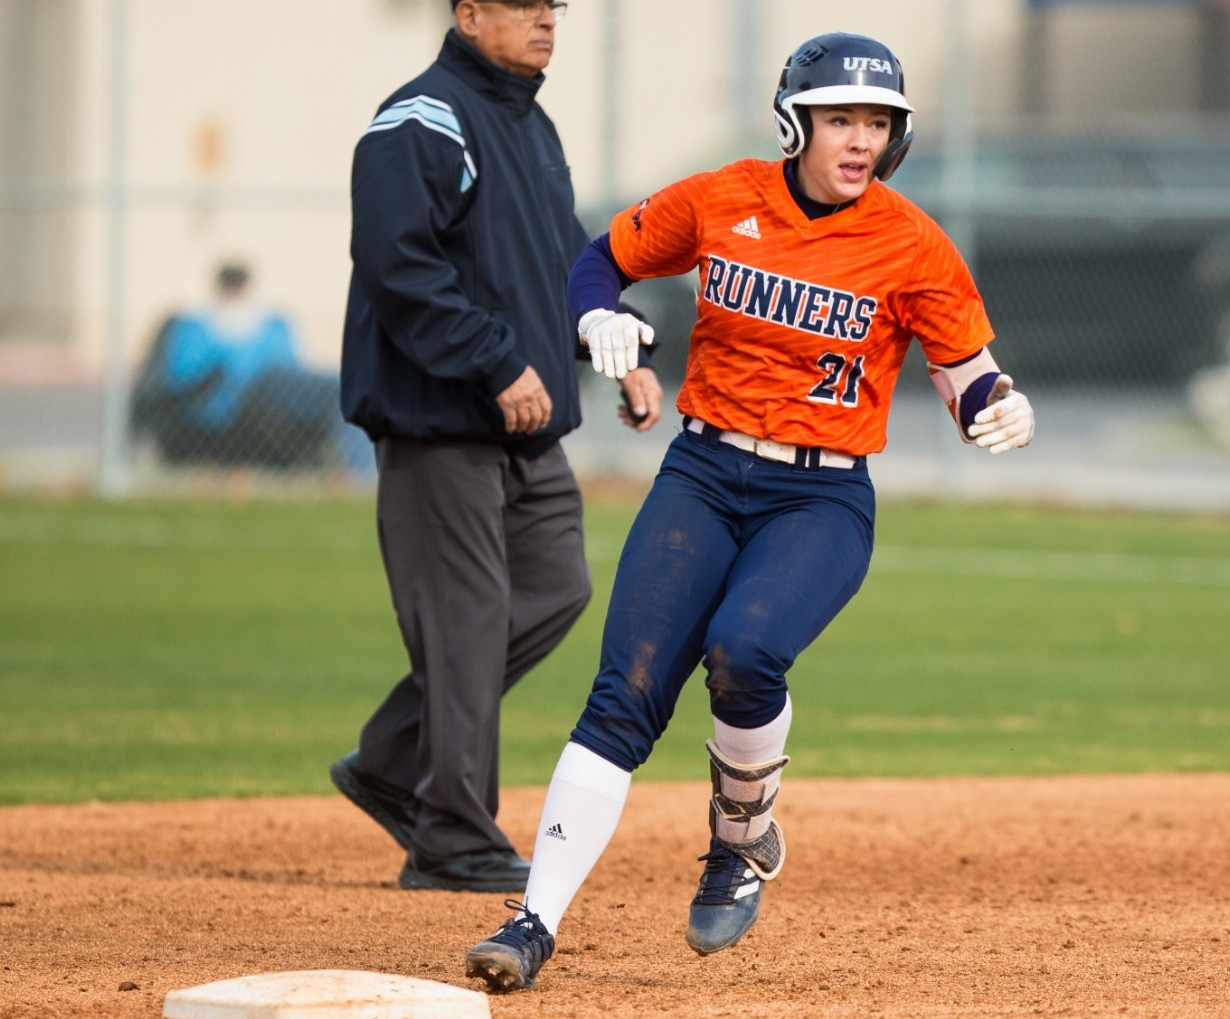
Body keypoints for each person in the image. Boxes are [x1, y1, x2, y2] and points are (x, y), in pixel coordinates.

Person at [463, 31, 1035, 993]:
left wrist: (993, 405)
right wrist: (596, 315)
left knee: (745, 650)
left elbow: (963, 369)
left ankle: (738, 841)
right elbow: (598, 261)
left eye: (877, 123)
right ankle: (532, 922)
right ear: (794, 122)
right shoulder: (723, 199)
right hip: (703, 471)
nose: (860, 139)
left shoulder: (911, 242)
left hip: (819, 495)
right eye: (839, 119)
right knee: (625, 692)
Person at [331, 0, 663, 895]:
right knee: (467, 622)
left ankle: (394, 758)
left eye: (553, 5)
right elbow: (399, 265)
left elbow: (562, 261)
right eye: (523, 6)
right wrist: (493, 361)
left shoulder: (527, 119)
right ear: (469, 14)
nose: (546, 20)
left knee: (557, 586)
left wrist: (614, 343)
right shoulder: (421, 118)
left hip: (522, 420)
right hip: (440, 416)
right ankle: (451, 838)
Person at [131, 261, 367, 471]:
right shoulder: (195, 325)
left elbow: (292, 365)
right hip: (243, 397)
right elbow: (183, 377)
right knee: (330, 389)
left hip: (275, 386)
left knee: (341, 388)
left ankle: (361, 473)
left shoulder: (272, 321)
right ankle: (361, 475)